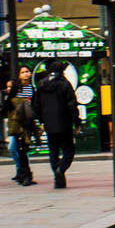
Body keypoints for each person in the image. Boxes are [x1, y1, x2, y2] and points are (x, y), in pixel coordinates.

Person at [32, 60, 80, 189]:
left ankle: (57, 175)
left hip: (49, 123)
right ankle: (61, 169)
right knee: (69, 149)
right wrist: (76, 121)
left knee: (53, 150)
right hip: (64, 122)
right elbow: (72, 104)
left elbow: (36, 105)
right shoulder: (64, 84)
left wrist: (41, 121)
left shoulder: (41, 84)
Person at [7, 66, 37, 186]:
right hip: (17, 122)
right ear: (19, 75)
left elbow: (35, 104)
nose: (25, 74)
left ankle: (24, 174)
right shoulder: (16, 87)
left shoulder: (31, 87)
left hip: (27, 122)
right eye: (23, 72)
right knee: (19, 149)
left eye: (27, 72)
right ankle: (24, 174)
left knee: (24, 149)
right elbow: (9, 103)